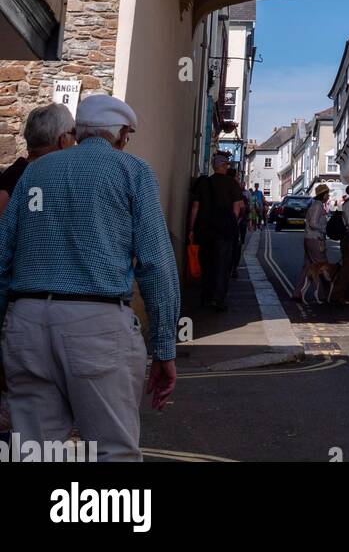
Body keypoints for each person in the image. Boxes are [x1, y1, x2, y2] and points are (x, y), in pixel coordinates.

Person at [0, 93, 180, 461]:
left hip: (28, 322)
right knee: (112, 450)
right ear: (122, 134)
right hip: (96, 324)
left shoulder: (34, 171)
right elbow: (157, 265)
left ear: (77, 133)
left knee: (35, 451)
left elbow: (2, 258)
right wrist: (164, 349)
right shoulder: (133, 172)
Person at [188, 150, 245, 311]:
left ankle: (206, 297)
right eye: (226, 164)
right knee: (222, 265)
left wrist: (191, 228)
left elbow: (195, 207)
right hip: (224, 231)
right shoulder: (231, 184)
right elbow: (237, 207)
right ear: (221, 166)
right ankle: (218, 299)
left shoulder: (204, 183)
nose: (227, 167)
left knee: (206, 264)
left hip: (205, 229)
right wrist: (231, 222)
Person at [0, 102, 76, 217]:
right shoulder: (19, 178)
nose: (75, 140)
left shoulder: (15, 175)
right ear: (63, 140)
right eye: (73, 133)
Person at [293, 183, 333, 304]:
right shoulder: (318, 206)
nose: (329, 196)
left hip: (309, 238)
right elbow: (313, 223)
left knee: (307, 267)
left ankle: (298, 293)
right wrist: (324, 229)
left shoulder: (315, 205)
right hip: (315, 239)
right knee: (324, 267)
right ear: (324, 195)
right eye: (328, 194)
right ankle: (330, 294)